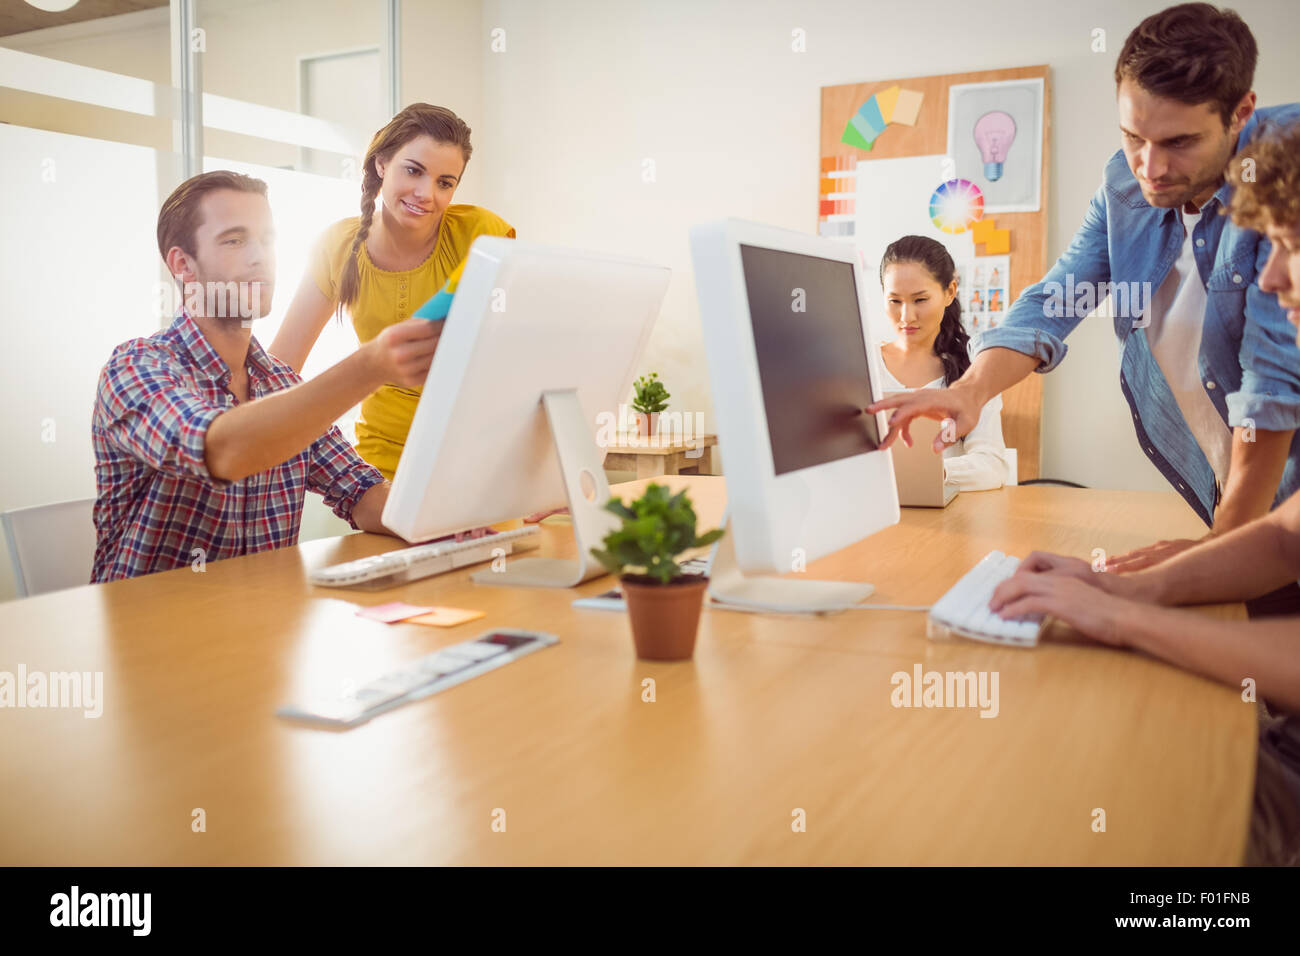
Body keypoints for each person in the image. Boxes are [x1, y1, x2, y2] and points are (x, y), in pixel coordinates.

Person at [868, 4, 1300, 616]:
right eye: (1133, 137)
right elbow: (1055, 298)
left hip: (1276, 512)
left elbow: (1273, 387)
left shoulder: (1285, 176)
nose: (1150, 168)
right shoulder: (1125, 186)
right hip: (1238, 501)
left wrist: (1218, 553)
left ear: (1242, 112)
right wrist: (970, 391)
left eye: (1179, 142)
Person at [990, 120, 1300, 866]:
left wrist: (1123, 620)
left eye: (1290, 248)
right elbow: (1287, 538)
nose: (1268, 279)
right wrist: (1133, 590)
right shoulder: (1123, 200)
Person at [92, 171, 439, 582]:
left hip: (260, 625)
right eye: (235, 240)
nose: (260, 257)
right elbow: (224, 449)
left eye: (267, 240)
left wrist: (452, 519)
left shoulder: (282, 383)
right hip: (148, 633)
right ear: (183, 264)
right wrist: (372, 365)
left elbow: (362, 493)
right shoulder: (135, 368)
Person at [270, 103, 515, 481]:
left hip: (477, 455)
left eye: (444, 182)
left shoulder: (482, 236)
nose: (425, 193)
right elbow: (280, 371)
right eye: (414, 171)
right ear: (381, 163)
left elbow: (519, 355)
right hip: (380, 465)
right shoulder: (336, 245)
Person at [878, 236, 1010, 490]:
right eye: (895, 301)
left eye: (920, 300)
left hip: (946, 522)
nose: (906, 316)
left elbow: (991, 466)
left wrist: (927, 472)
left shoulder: (975, 370)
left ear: (949, 293)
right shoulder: (864, 362)